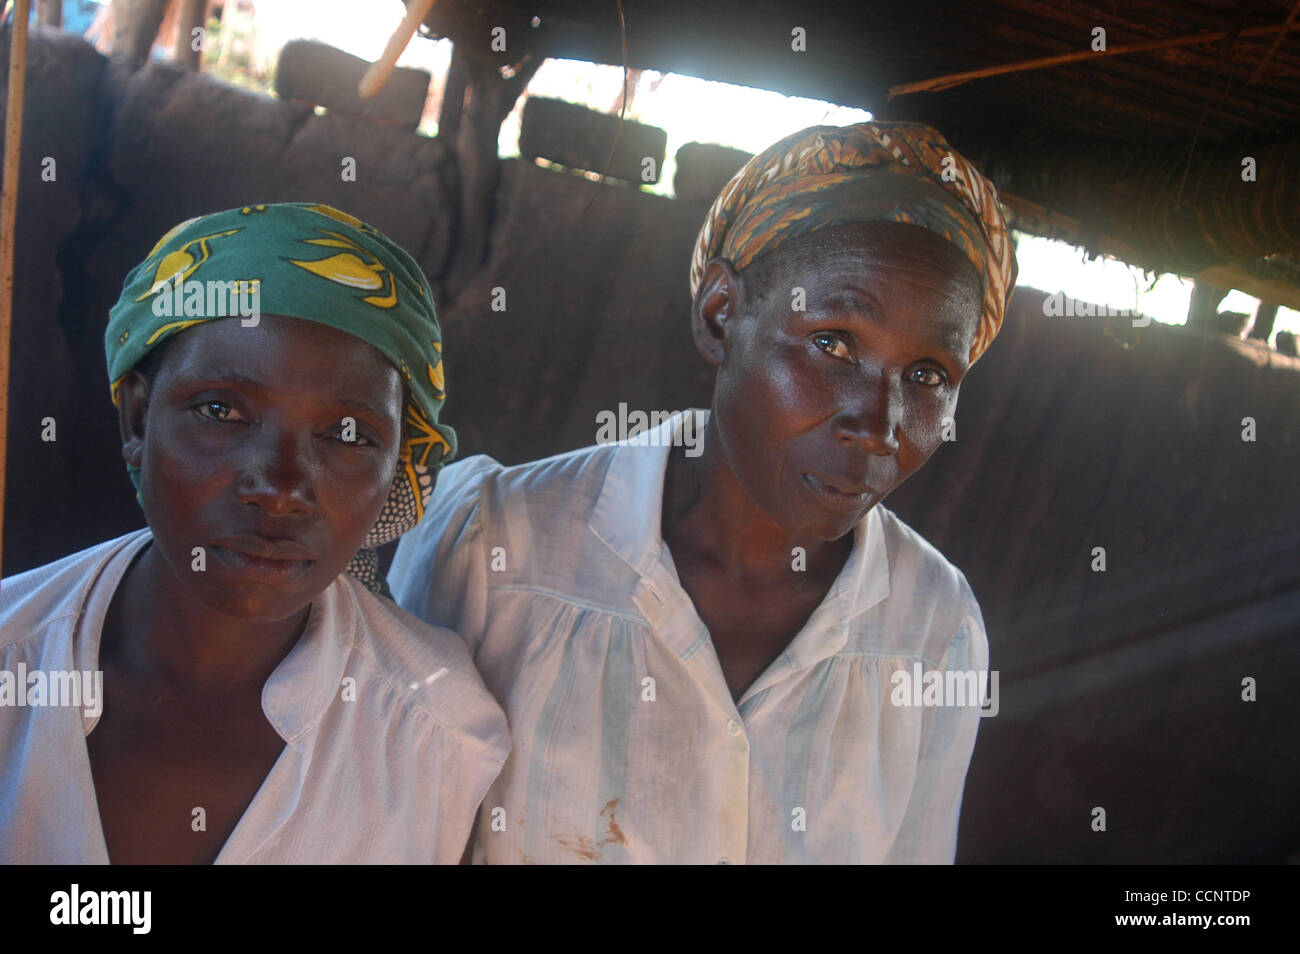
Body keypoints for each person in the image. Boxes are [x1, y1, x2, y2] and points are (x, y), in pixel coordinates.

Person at [390, 122, 1017, 864]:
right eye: (834, 342)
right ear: (721, 314)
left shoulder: (934, 627)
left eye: (926, 377)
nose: (878, 426)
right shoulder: (495, 543)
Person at [0, 202, 509, 863]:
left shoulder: (442, 740)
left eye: (347, 434)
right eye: (222, 410)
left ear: (397, 467)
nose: (279, 485)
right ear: (136, 420)